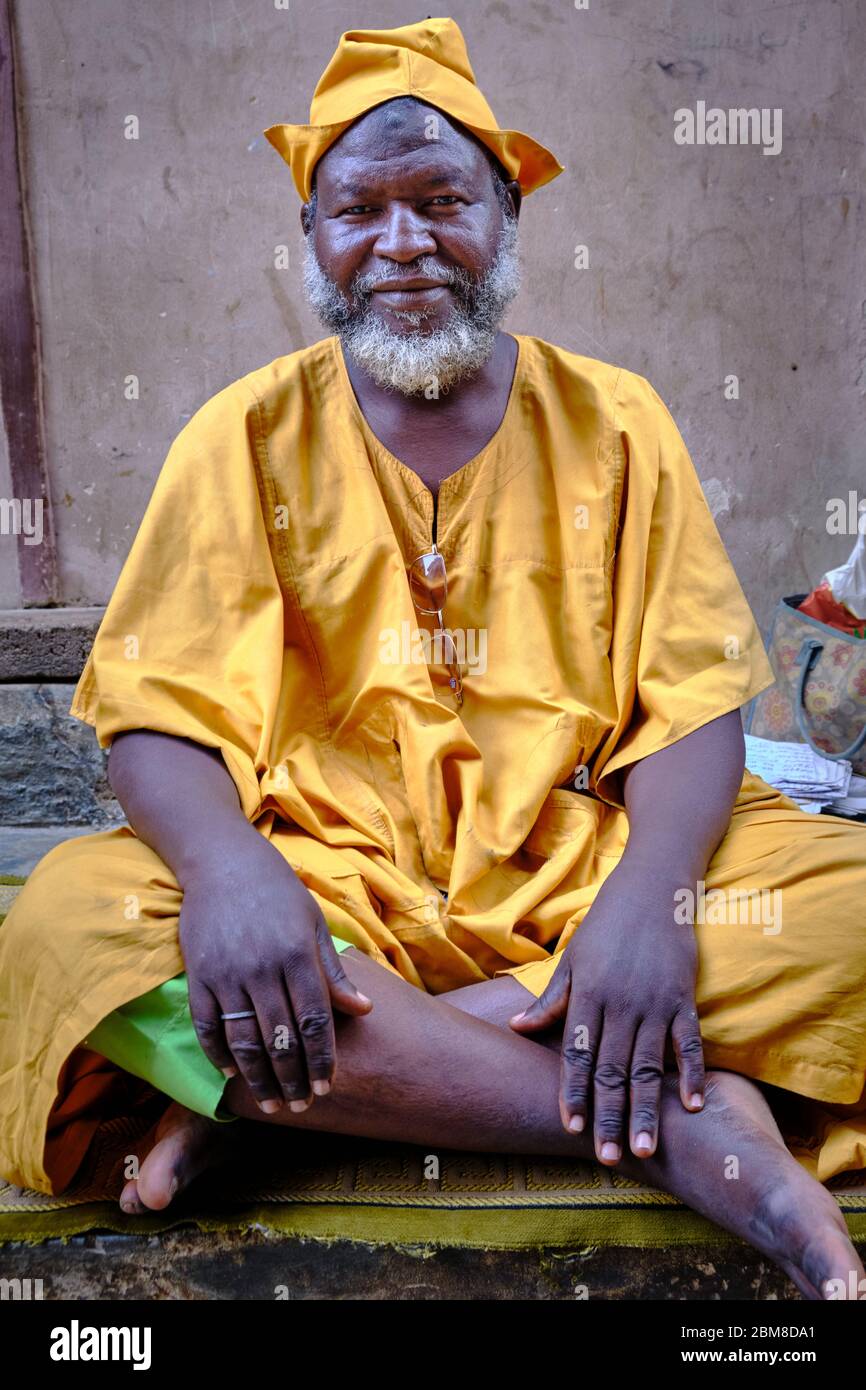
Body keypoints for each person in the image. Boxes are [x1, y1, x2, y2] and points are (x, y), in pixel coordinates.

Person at [1, 19, 864, 1300]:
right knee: (74, 924)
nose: (401, 243)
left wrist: (650, 903)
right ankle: (676, 1125)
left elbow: (689, 705)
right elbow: (154, 712)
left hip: (579, 871)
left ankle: (267, 1092)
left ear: (504, 214)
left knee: (842, 905)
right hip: (323, 891)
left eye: (439, 201)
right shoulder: (240, 433)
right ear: (312, 235)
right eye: (360, 210)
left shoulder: (616, 421)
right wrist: (229, 871)